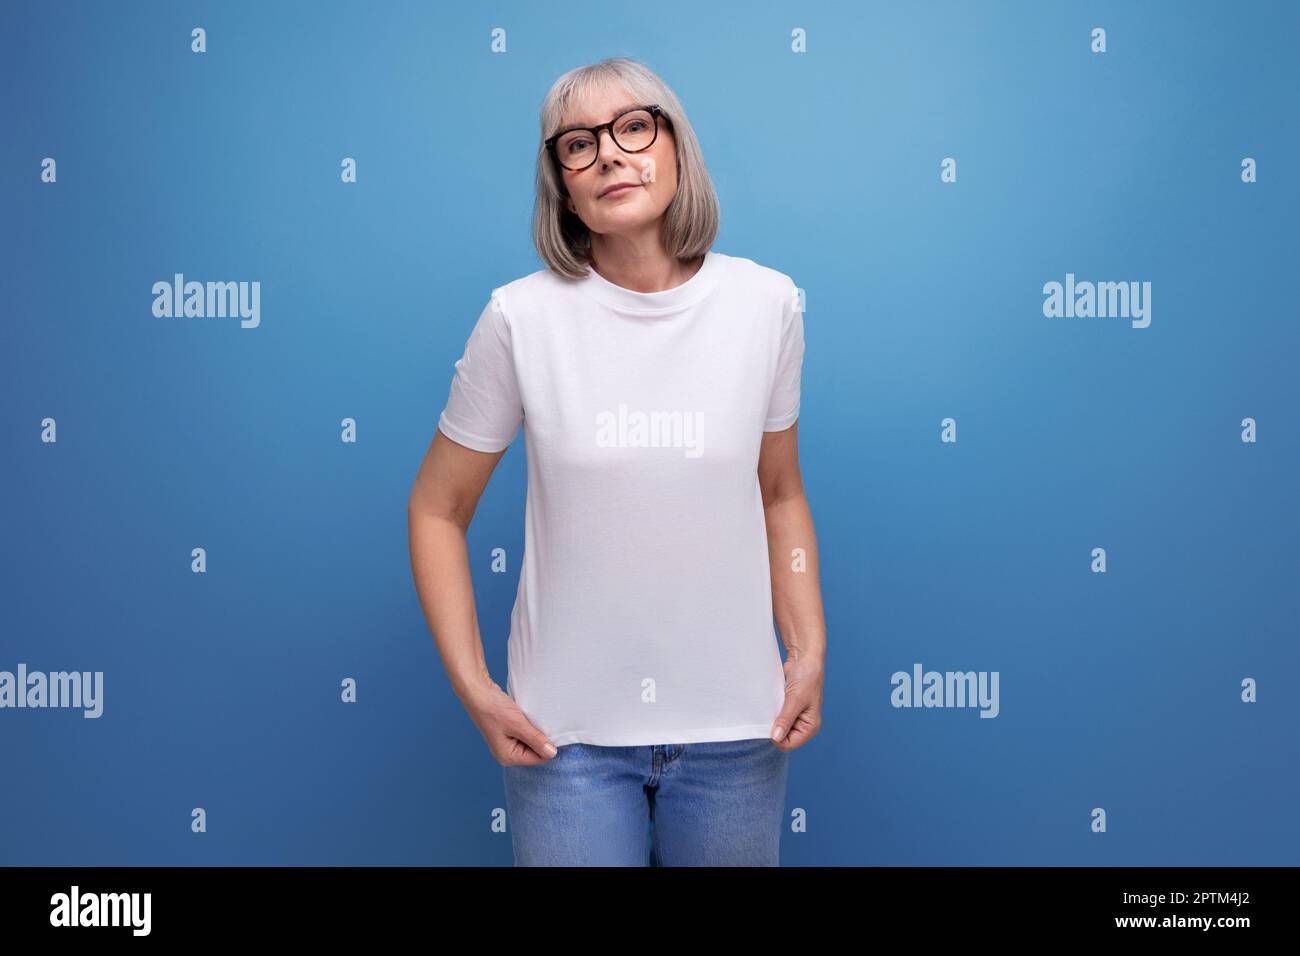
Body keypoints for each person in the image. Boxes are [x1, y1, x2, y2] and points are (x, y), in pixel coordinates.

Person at [407, 57, 827, 866]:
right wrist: (475, 688)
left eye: (633, 127)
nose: (608, 154)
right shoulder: (519, 321)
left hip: (738, 726)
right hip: (567, 742)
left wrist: (807, 649)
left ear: (676, 149)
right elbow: (436, 510)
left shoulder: (767, 305)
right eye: (578, 144)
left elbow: (779, 492)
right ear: (561, 183)